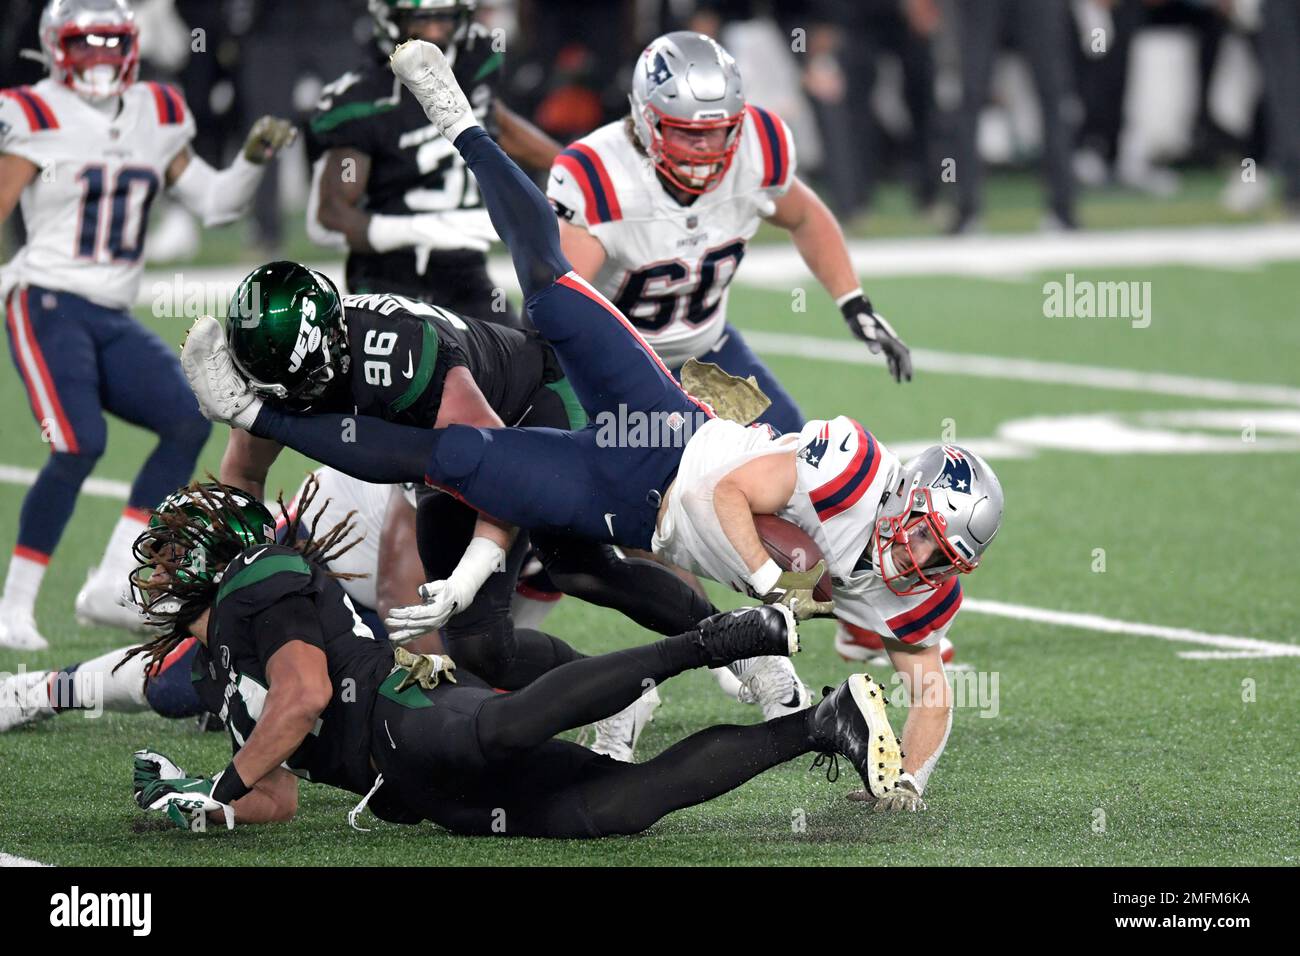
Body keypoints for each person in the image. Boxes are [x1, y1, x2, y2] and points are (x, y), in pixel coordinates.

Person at [182, 38, 1004, 808]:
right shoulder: (855, 465)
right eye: (929, 536)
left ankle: (249, 405)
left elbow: (930, 691)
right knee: (545, 286)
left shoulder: (912, 589)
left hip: (628, 503)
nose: (923, 559)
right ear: (907, 495)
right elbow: (728, 501)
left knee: (458, 461)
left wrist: (908, 787)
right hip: (667, 430)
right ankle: (456, 116)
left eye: (942, 558)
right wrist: (771, 590)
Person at [126, 480, 904, 838]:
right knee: (615, 810)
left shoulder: (254, 588)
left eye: (168, 556)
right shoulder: (219, 663)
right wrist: (208, 799)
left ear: (209, 557)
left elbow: (303, 695)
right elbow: (281, 796)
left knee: (501, 728)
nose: (158, 574)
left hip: (402, 714)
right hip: (412, 786)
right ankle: (818, 725)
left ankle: (714, 641)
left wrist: (226, 780)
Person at [0, 0, 294, 650]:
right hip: (44, 299)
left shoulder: (156, 111)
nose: (101, 59)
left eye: (112, 44)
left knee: (187, 416)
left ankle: (110, 580)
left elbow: (215, 205)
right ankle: (13, 604)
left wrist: (250, 160)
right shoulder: (33, 111)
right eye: (87, 45)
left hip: (111, 311)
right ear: (55, 46)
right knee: (77, 443)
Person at [547, 31, 912, 437]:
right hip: (615, 367)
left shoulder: (756, 148)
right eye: (687, 132)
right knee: (642, 485)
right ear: (647, 121)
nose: (704, 148)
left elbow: (805, 216)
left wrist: (854, 303)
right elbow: (559, 303)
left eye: (716, 131)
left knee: (795, 462)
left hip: (706, 355)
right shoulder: (603, 177)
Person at [307, 0, 561, 321]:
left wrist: (572, 164)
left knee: (518, 359)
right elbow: (332, 213)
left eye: (445, 17)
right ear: (389, 20)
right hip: (390, 276)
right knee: (418, 362)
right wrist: (428, 229)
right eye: (422, 20)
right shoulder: (364, 100)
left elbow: (493, 121)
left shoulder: (475, 60)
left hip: (464, 268)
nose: (435, 30)